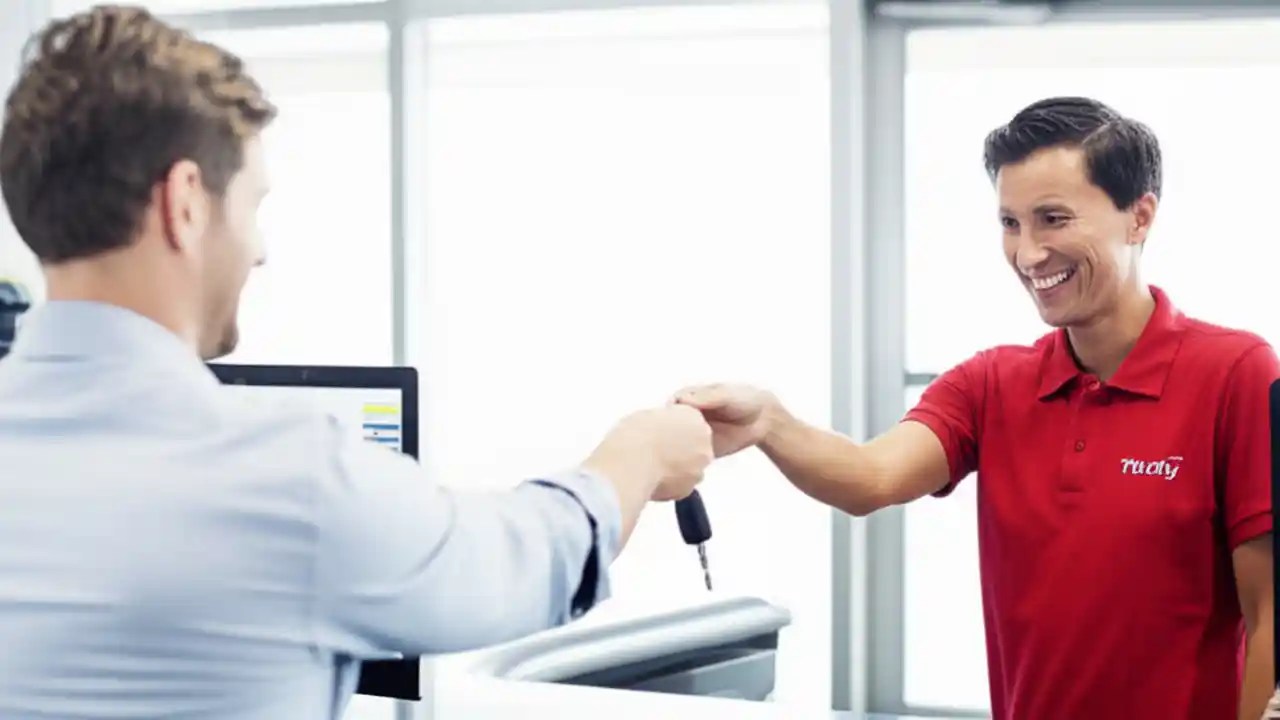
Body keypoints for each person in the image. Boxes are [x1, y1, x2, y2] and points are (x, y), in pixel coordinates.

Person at [0, 7, 714, 719]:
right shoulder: (286, 480)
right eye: (252, 206)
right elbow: (530, 562)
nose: (259, 251)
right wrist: (643, 451)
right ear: (185, 203)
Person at [677, 97, 1276, 720]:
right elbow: (868, 477)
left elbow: (1269, 614)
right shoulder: (992, 384)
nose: (1028, 254)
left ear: (1139, 217)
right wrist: (768, 422)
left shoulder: (1236, 372)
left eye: (1052, 219)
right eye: (1010, 223)